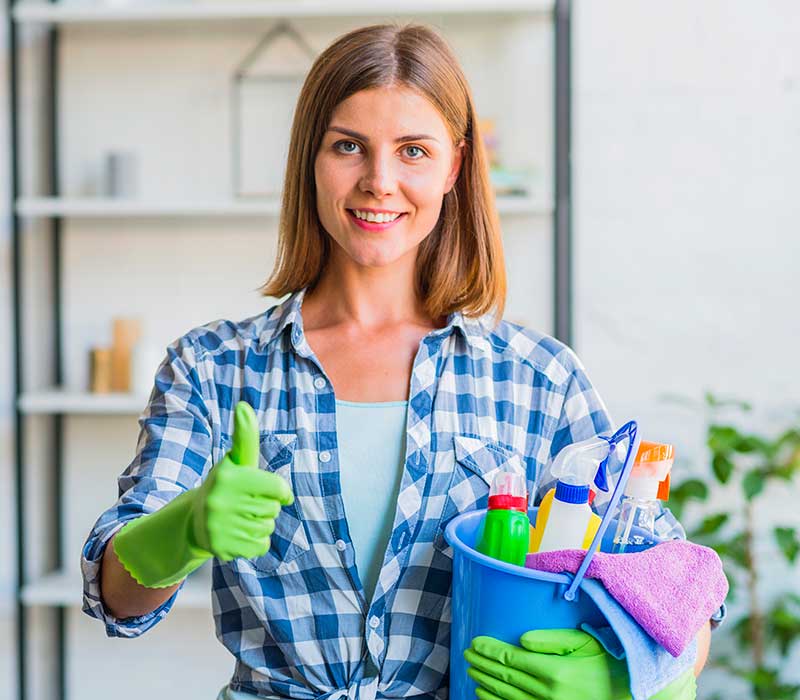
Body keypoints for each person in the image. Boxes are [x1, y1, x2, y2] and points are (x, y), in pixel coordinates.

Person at [81, 23, 715, 700]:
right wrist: (184, 529)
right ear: (311, 161)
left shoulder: (540, 380)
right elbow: (117, 599)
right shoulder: (212, 368)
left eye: (413, 150)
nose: (379, 181)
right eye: (348, 146)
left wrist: (626, 678)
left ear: (455, 167)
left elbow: (676, 594)